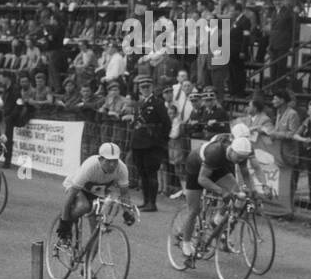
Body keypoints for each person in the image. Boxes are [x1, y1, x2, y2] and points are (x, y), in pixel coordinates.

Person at [177, 135, 262, 259]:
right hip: (196, 169)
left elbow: (245, 174)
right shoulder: (215, 152)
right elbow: (202, 179)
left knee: (236, 192)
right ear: (231, 150)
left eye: (242, 159)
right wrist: (222, 191)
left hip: (218, 168)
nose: (239, 161)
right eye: (238, 158)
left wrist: (251, 191)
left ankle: (218, 220)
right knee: (194, 210)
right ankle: (186, 243)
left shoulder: (240, 155)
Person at [56, 141, 131, 248]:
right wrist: (64, 222)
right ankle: (67, 227)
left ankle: (86, 262)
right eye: (108, 161)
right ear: (100, 159)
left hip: (97, 192)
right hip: (78, 188)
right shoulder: (90, 166)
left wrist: (127, 212)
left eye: (115, 161)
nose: (112, 165)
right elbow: (71, 195)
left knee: (96, 236)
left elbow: (124, 194)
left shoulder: (122, 168)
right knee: (84, 206)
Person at [126, 73, 169, 211]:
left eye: (147, 86)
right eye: (142, 87)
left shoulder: (158, 103)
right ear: (139, 88)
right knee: (142, 173)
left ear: (152, 87)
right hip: (138, 143)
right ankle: (145, 201)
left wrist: (161, 141)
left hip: (152, 144)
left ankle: (152, 203)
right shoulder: (139, 104)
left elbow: (166, 123)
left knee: (151, 173)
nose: (145, 89)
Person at [266, 85, 302, 219]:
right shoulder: (279, 113)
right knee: (281, 183)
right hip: (279, 153)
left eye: (275, 99)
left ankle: (289, 212)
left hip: (288, 153)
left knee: (290, 183)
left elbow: (293, 133)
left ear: (282, 100)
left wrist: (276, 134)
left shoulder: (292, 114)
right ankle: (281, 210)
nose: (273, 101)